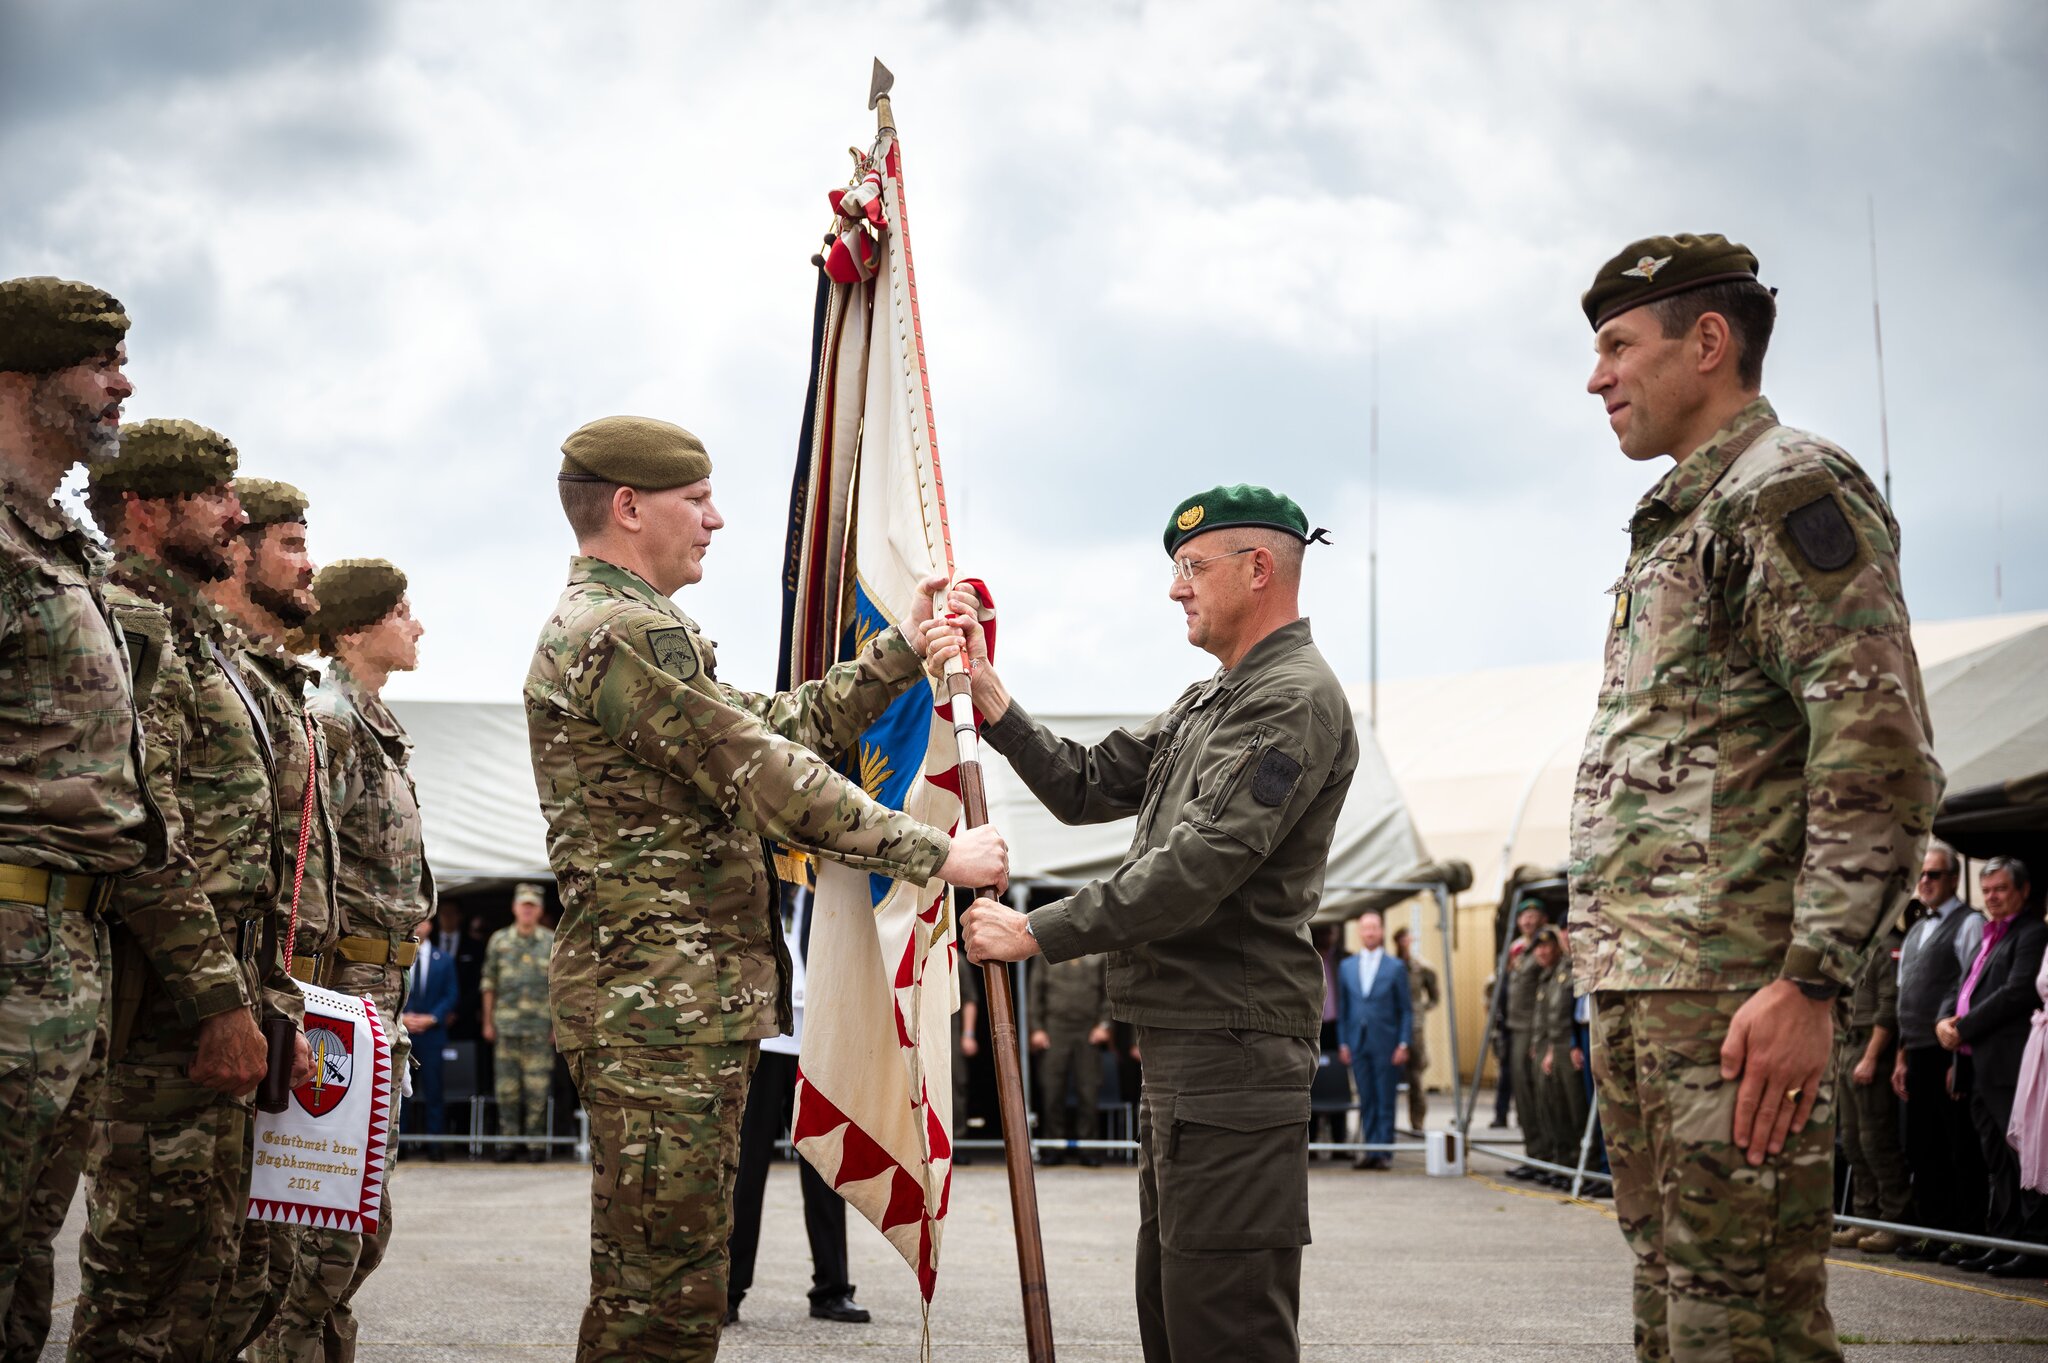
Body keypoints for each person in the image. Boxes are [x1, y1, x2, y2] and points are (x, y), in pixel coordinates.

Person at [523, 415, 1007, 1361]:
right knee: (656, 1303)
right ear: (628, 507)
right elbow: (769, 777)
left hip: (672, 1006)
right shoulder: (617, 631)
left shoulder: (638, 629)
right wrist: (934, 855)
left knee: (675, 1286)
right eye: (695, 499)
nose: (716, 519)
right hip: (656, 1011)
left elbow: (780, 726)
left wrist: (900, 650)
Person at [1571, 234, 1943, 1362]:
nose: (1596, 378)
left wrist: (1809, 981)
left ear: (1708, 341)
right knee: (1675, 1311)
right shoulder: (1680, 520)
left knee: (1743, 1328)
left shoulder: (1784, 488)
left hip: (1733, 991)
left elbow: (1876, 748)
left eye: (1617, 346)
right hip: (1651, 982)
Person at [947, 483, 1359, 1363]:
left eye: (1190, 567)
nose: (1176, 588)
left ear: (1258, 569)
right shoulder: (1214, 698)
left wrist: (1038, 932)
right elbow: (1085, 783)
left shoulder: (1289, 699)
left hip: (1233, 1050)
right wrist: (989, 695)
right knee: (1174, 1317)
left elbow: (1201, 866)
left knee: (1223, 1328)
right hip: (1188, 1047)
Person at [71, 421, 310, 1362]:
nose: (237, 514)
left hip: (221, 1001)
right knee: (147, 1290)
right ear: (146, 509)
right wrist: (218, 1000)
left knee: (219, 1282)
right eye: (216, 496)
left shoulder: (192, 636)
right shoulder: (132, 627)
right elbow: (141, 830)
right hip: (167, 1014)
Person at [0, 277, 159, 1362]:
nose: (122, 383)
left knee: (23, 1268)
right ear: (19, 379)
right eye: (98, 364)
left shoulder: (62, 546)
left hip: (70, 956)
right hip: (9, 950)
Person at [255, 557, 435, 1363]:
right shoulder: (328, 721)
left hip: (378, 993)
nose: (418, 624)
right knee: (325, 1229)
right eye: (402, 611)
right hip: (338, 989)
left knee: (356, 1223)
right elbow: (300, 868)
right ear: (356, 630)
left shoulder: (373, 725)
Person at [205, 475, 344, 1353]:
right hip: (207, 999)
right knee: (188, 1273)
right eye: (290, 543)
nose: (308, 564)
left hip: (278, 993)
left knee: (262, 1266)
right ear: (238, 548)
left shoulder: (276, 685)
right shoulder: (206, 667)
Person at [726, 883, 868, 1327]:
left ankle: (831, 1288)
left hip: (818, 1039)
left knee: (825, 1168)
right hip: (765, 1040)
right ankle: (727, 1291)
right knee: (745, 1171)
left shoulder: (831, 887)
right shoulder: (759, 881)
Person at [1935, 857, 2048, 1276]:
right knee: (1995, 1159)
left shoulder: (2032, 932)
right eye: (1986, 891)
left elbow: (2016, 991)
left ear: (2023, 890)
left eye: (2000, 889)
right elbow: (1963, 985)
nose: (1992, 897)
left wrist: (1962, 1027)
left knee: (2022, 1156)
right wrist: (1944, 1019)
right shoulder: (1990, 934)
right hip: (1976, 1063)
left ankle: (2033, 1246)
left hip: (2009, 1062)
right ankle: (2001, 1240)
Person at [1890, 842, 1989, 1260]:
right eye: (1922, 875)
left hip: (1946, 1050)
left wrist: (1957, 1059)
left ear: (1952, 879)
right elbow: (1902, 996)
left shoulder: (1969, 924)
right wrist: (1900, 1057)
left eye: (1933, 875)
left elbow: (1971, 989)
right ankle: (1932, 1229)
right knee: (1921, 1144)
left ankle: (1964, 1233)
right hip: (1915, 1049)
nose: (1925, 882)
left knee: (1957, 1144)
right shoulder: (1915, 927)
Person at [1830, 920, 1911, 1253]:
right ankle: (1865, 1218)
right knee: (1851, 1141)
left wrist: (1872, 1056)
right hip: (1849, 1045)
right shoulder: (1859, 945)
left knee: (1876, 1138)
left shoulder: (1889, 944)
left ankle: (1893, 1220)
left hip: (1871, 1049)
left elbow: (1890, 1005)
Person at [482, 882, 555, 1162]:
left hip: (539, 1030)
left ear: (540, 910)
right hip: (507, 1028)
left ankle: (536, 1145)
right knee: (506, 1090)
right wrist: (487, 1023)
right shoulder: (499, 941)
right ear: (514, 908)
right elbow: (489, 984)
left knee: (537, 1090)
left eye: (532, 906)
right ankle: (508, 1142)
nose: (527, 910)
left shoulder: (551, 942)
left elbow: (559, 988)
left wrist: (557, 1028)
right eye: (523, 905)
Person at [1337, 910, 1412, 1171]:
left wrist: (1403, 1043)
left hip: (1386, 1043)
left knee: (1385, 1098)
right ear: (1359, 932)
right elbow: (1344, 1009)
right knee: (1366, 1097)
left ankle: (1384, 1151)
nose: (1369, 932)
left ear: (1381, 931)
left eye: (1374, 928)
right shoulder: (1347, 967)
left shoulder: (1396, 967)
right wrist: (1343, 1042)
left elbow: (1406, 1009)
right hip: (1358, 1042)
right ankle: (1370, 1149)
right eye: (1365, 928)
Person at [1029, 951, 1112, 1166]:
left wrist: (1104, 1025)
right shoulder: (1046, 954)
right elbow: (1035, 991)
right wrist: (1037, 1028)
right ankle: (1053, 1147)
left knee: (1089, 1089)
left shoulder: (1099, 954)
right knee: (1052, 1088)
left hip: (1088, 1029)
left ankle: (1089, 1148)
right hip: (1054, 1028)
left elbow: (1109, 990)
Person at [1531, 929, 1589, 1189]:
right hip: (1555, 1047)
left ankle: (1583, 1167)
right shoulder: (1552, 973)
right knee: (1555, 1109)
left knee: (1576, 1109)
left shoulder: (1573, 969)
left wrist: (1558, 1048)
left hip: (1569, 1046)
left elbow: (1568, 1016)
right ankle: (1563, 1165)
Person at [401, 913, 458, 1160]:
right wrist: (401, 1016)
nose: (418, 926)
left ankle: (435, 1145)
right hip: (403, 1031)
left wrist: (432, 1018)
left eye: (423, 921)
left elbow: (451, 994)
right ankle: (400, 1145)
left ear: (430, 926)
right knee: (401, 1090)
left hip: (432, 1034)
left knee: (434, 1090)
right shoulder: (400, 955)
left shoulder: (443, 959)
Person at [1502, 902, 1548, 1180]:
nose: (1527, 921)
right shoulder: (1518, 949)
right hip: (1514, 1028)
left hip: (1532, 1030)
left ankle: (1545, 1157)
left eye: (1532, 916)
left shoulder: (1543, 948)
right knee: (1522, 1098)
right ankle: (1534, 1155)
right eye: (1523, 916)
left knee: (1536, 1096)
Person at [1392, 925, 1440, 1130]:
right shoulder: (1392, 965)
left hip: (1414, 1028)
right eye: (1400, 939)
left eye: (1406, 938)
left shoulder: (1421, 967)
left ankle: (1417, 1122)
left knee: (1415, 1077)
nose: (1404, 942)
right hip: (1391, 1026)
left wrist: (1419, 1011)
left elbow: (1434, 997)